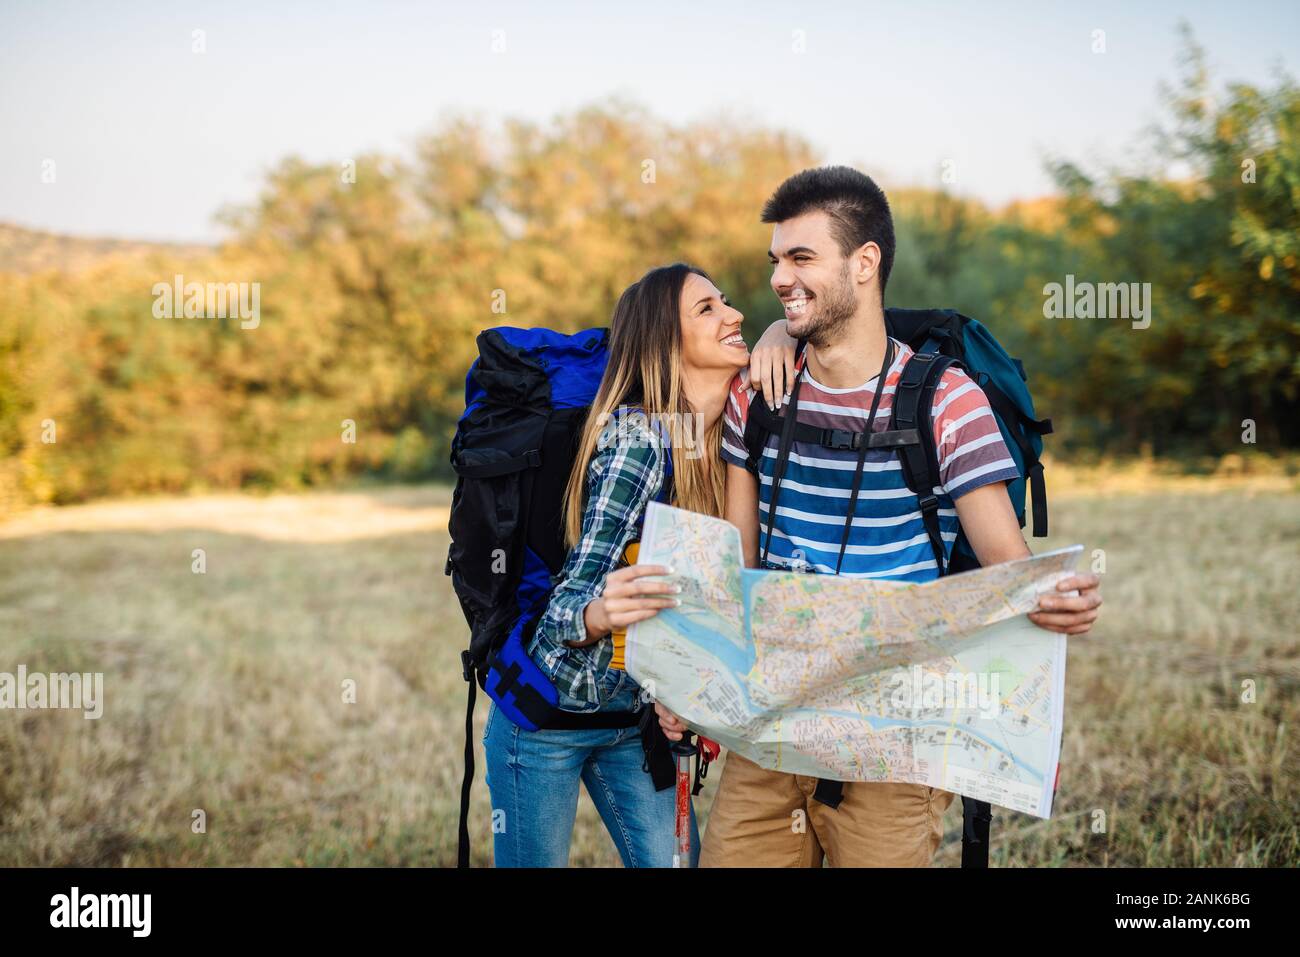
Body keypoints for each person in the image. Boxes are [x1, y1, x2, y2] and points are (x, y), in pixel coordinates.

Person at [656, 166, 1103, 867]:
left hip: (896, 730)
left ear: (865, 263)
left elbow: (1007, 566)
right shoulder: (759, 397)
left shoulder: (946, 402)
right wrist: (692, 674)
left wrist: (1053, 600)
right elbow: (736, 568)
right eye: (776, 260)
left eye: (802, 258)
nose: (779, 277)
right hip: (771, 721)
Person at [483, 262, 769, 867]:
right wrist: (597, 613)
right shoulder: (639, 442)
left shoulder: (729, 443)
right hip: (545, 721)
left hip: (632, 722)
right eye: (707, 310)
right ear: (667, 342)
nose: (734, 314)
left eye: (726, 301)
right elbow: (563, 610)